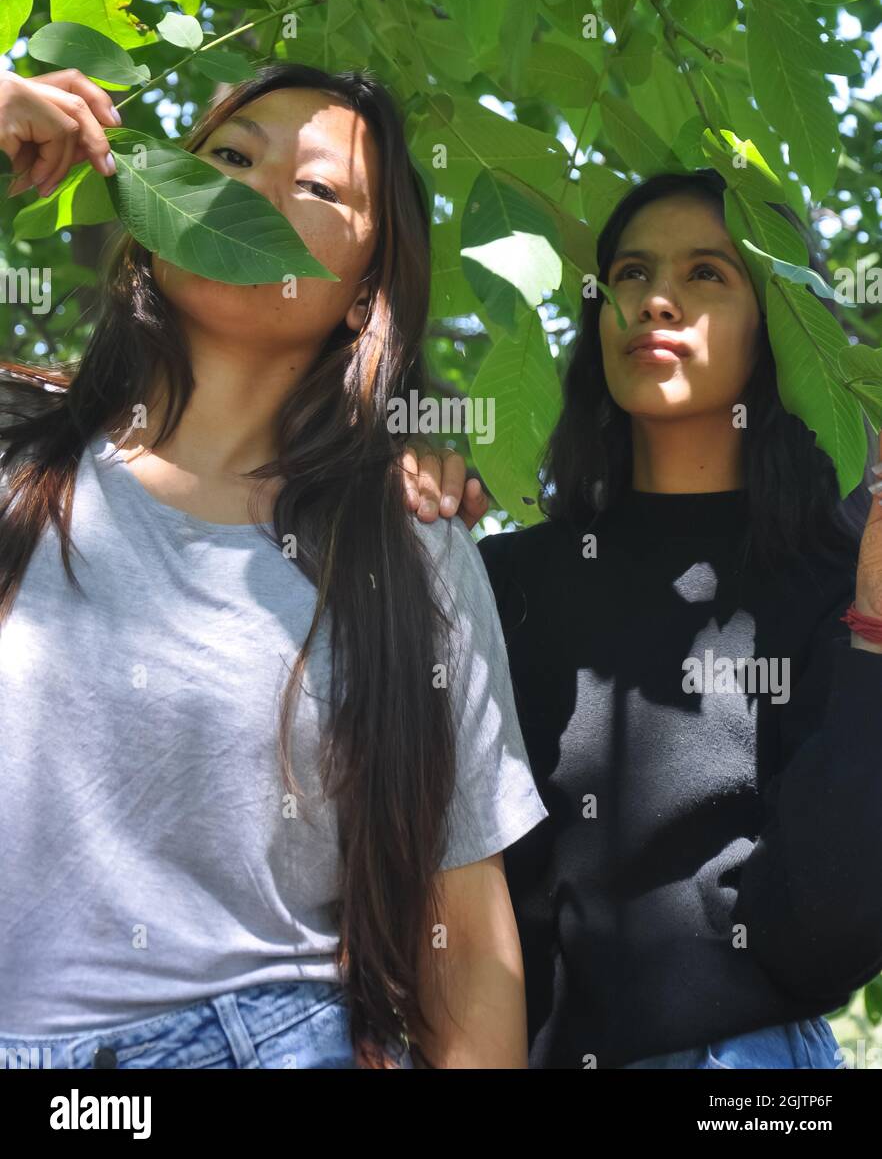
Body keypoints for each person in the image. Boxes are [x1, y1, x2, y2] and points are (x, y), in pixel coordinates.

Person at [0, 62, 549, 1070]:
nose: (252, 189)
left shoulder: (411, 547)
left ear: (366, 293)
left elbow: (465, 947)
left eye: (319, 186)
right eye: (228, 156)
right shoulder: (16, 460)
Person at [421, 169, 882, 1069]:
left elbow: (829, 938)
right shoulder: (499, 576)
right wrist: (404, 530)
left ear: (781, 324)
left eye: (707, 273)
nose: (656, 299)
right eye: (630, 274)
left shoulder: (842, 587)